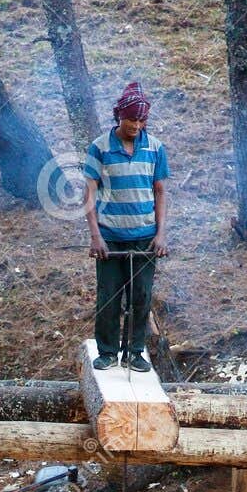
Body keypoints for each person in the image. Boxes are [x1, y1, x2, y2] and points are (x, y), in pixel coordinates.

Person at [84, 81, 170, 373]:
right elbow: (90, 193)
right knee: (108, 296)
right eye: (131, 119)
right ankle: (107, 351)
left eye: (141, 120)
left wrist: (160, 234)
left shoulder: (156, 148)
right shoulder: (100, 147)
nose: (136, 125)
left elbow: (159, 191)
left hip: (144, 237)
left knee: (141, 296)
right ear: (119, 116)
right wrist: (96, 236)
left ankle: (134, 351)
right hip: (110, 236)